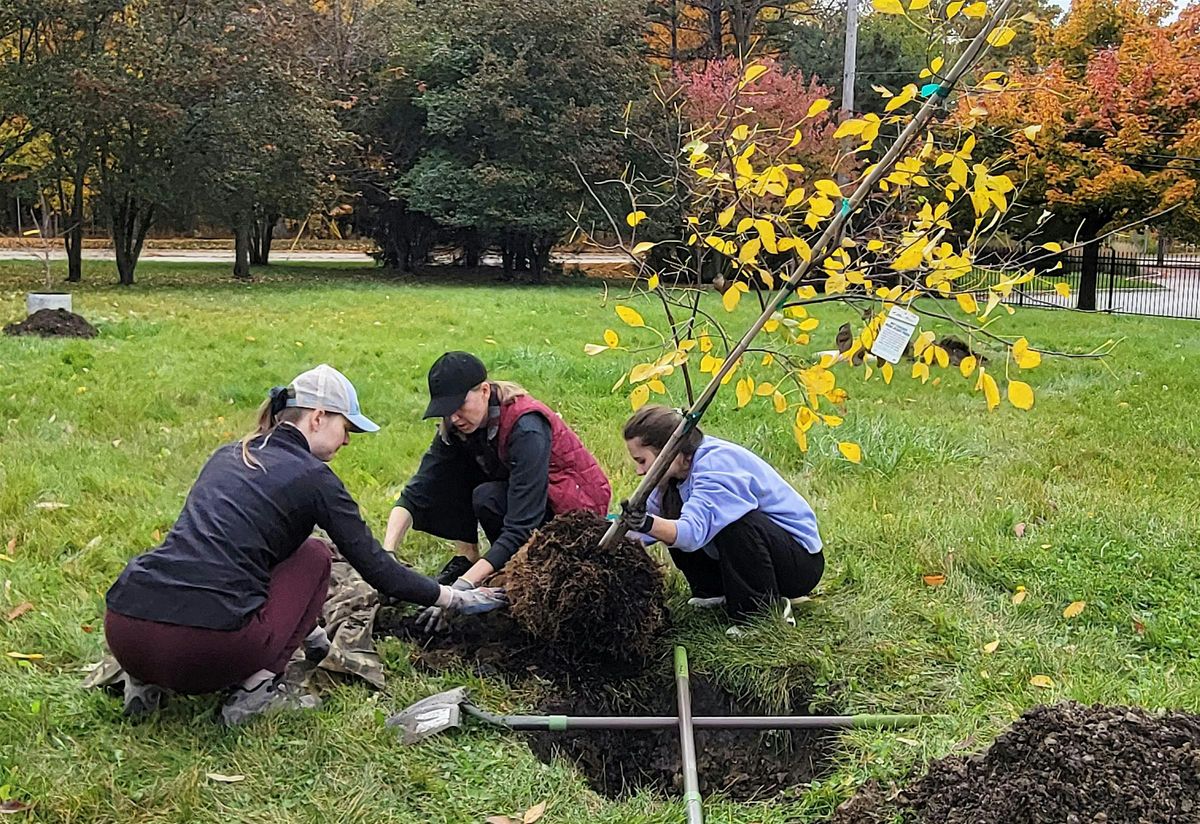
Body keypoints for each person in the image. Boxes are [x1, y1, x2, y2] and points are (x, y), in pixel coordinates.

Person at [103, 364, 506, 725]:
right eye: (346, 428)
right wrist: (454, 598)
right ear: (317, 418)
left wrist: (310, 634)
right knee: (315, 554)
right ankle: (254, 695)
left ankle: (143, 685)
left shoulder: (228, 455)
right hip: (208, 651)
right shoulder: (315, 479)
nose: (347, 442)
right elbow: (381, 574)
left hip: (125, 632)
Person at [383, 352, 611, 628]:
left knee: (487, 498)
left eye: (460, 406)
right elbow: (418, 490)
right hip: (527, 500)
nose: (454, 418)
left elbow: (520, 527)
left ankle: (522, 573)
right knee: (450, 468)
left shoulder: (527, 427)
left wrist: (458, 591)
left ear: (484, 391)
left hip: (573, 515)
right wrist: (388, 558)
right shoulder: (459, 425)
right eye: (446, 410)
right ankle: (470, 560)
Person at [620, 405, 824, 633]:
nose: (639, 471)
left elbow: (690, 533)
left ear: (670, 452)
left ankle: (758, 613)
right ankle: (713, 590)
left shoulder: (716, 467)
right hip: (754, 556)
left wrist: (648, 523)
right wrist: (607, 529)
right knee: (671, 514)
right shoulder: (672, 477)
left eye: (642, 461)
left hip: (797, 564)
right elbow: (642, 526)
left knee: (735, 523)